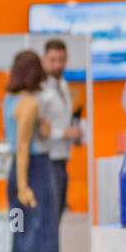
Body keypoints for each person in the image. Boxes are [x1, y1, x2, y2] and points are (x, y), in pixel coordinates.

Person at [4, 50, 58, 252]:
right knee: (42, 229)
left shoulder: (8, 101)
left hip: (15, 170)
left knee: (18, 228)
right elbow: (24, 145)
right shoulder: (30, 104)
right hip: (34, 170)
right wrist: (25, 186)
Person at [38, 39, 82, 218]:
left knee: (57, 216)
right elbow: (38, 128)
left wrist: (74, 134)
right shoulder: (39, 89)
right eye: (53, 59)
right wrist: (63, 133)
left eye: (61, 59)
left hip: (62, 158)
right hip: (47, 160)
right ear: (44, 60)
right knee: (48, 218)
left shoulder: (62, 85)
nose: (57, 64)